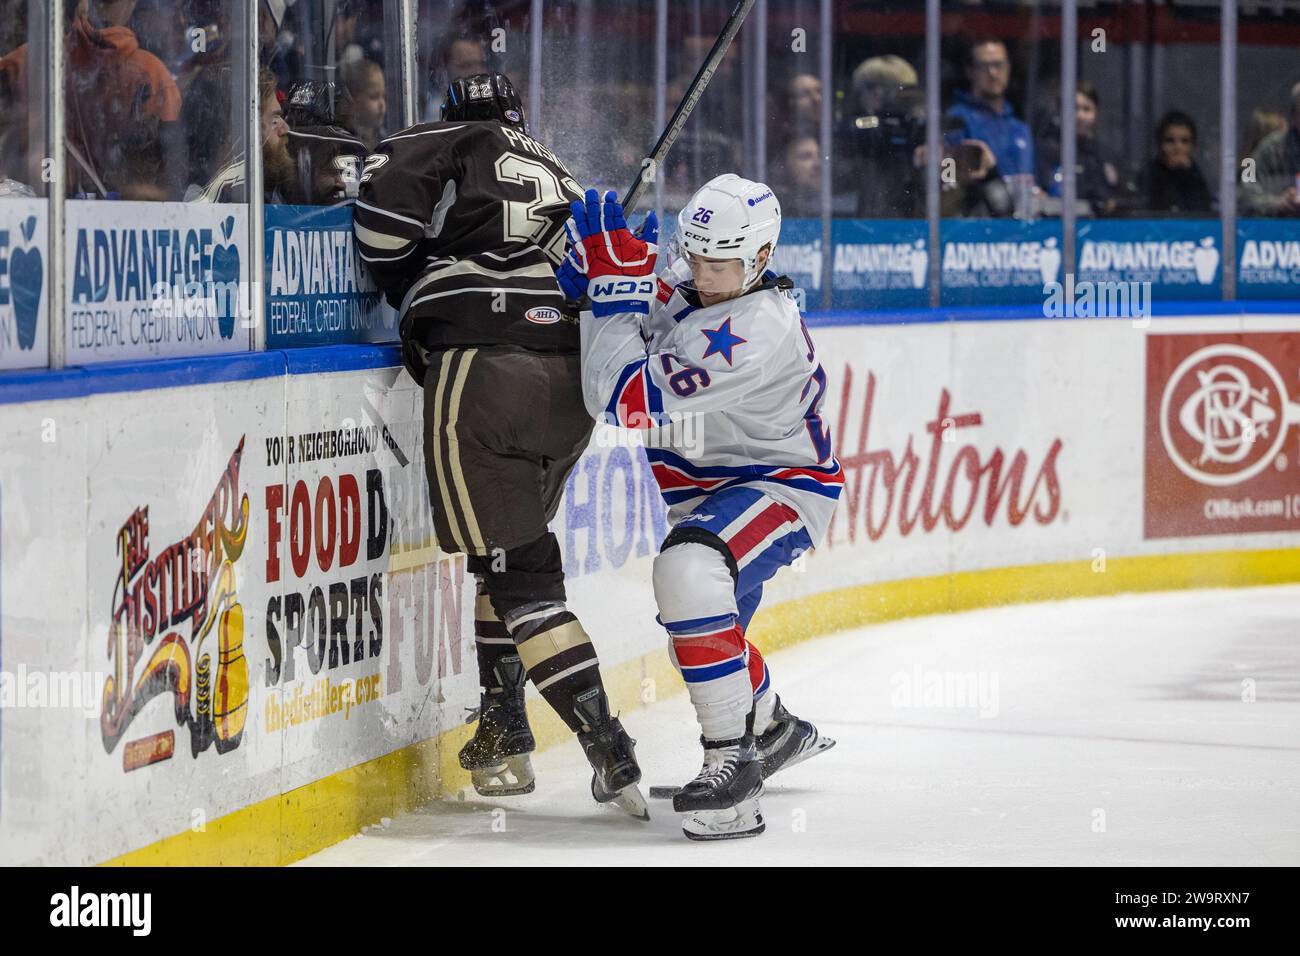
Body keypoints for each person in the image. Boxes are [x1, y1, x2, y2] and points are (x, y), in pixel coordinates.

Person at [353, 72, 647, 818]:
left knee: (524, 583)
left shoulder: (446, 137)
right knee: (507, 554)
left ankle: (608, 745)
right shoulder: (557, 167)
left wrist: (412, 282)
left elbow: (380, 225)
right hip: (568, 380)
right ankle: (503, 728)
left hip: (485, 367)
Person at [569, 176, 839, 840]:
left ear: (762, 256)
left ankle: (732, 768)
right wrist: (589, 279)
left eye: (722, 263)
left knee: (688, 571)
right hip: (714, 493)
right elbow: (631, 318)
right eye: (695, 257)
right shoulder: (692, 282)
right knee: (695, 634)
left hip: (780, 486)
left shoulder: (756, 328)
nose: (705, 275)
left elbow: (622, 400)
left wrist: (612, 297)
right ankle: (772, 728)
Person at [945, 38, 1036, 214]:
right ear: (970, 71)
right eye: (984, 66)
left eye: (998, 65)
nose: (993, 73)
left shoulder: (1020, 127)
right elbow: (951, 182)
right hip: (978, 220)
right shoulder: (956, 120)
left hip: (1023, 221)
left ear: (1008, 67)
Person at [191, 69, 293, 203]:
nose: (285, 129)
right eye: (274, 121)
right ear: (237, 133)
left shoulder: (264, 196)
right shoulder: (198, 203)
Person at [1035, 81, 1119, 215]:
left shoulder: (1105, 155)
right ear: (1060, 112)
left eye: (1086, 109)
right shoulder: (1046, 151)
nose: (1080, 116)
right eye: (1074, 108)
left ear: (1096, 113)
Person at [1136, 110, 1214, 214]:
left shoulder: (1196, 176)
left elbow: (1203, 209)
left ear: (1193, 146)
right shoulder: (1148, 175)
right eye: (1170, 141)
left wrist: (1188, 174)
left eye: (1184, 141)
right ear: (1159, 144)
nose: (1177, 147)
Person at [1240, 83, 1300, 217]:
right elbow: (1246, 194)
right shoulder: (1270, 148)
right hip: (1282, 227)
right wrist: (1279, 204)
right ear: (1294, 116)